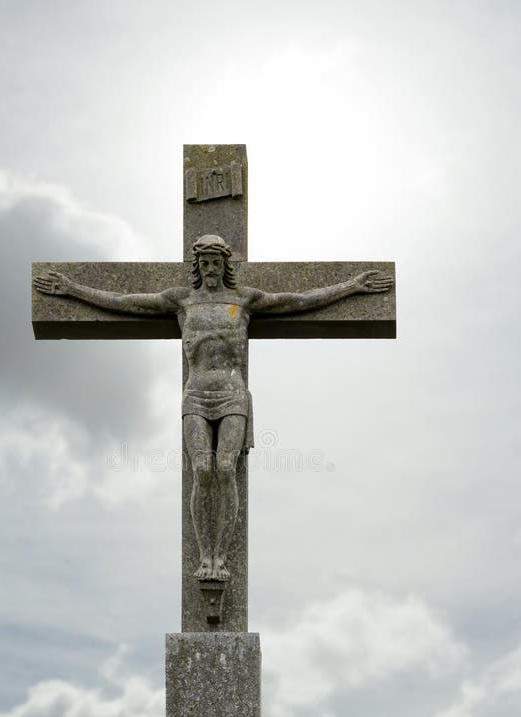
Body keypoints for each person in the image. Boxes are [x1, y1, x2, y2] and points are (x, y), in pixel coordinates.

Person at [34, 235, 392, 581]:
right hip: (196, 395)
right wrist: (73, 290)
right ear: (197, 266)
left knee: (225, 468)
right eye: (203, 263)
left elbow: (298, 300)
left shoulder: (245, 299)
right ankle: (204, 556)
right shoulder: (181, 301)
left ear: (225, 265)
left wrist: (352, 287)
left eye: (215, 262)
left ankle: (221, 557)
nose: (209, 269)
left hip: (233, 395)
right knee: (201, 469)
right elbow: (125, 301)